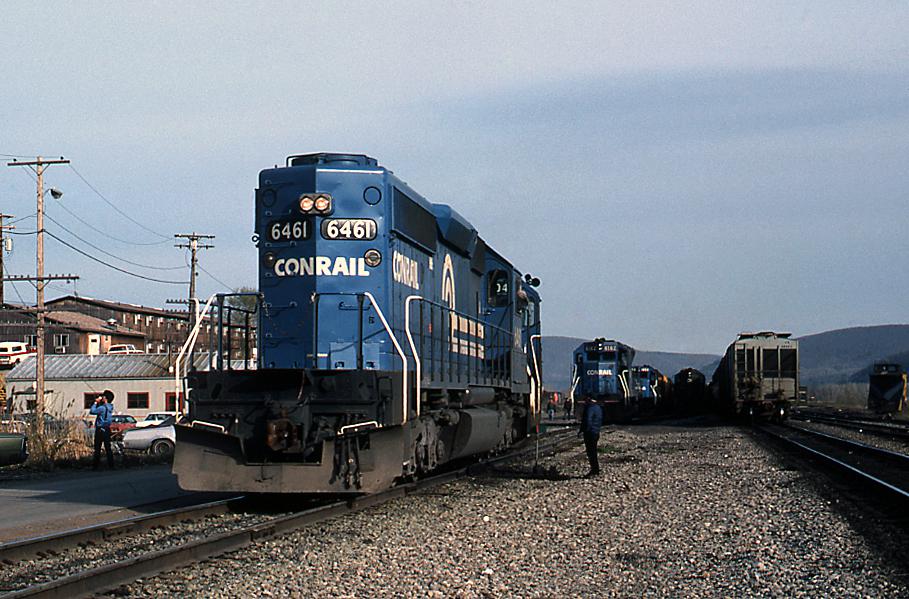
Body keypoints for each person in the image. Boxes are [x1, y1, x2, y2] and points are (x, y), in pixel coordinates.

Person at [90, 389, 115, 470]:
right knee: (108, 448)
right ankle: (111, 465)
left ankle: (95, 466)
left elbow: (92, 411)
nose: (102, 398)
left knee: (97, 448)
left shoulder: (102, 408)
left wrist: (95, 402)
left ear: (106, 398)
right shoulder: (110, 407)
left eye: (103, 396)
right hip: (107, 429)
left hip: (100, 429)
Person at [579, 396, 603, 477]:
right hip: (596, 431)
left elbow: (587, 420)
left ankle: (594, 470)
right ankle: (595, 469)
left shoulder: (590, 408)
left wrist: (584, 430)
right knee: (594, 452)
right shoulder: (598, 407)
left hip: (590, 433)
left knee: (591, 452)